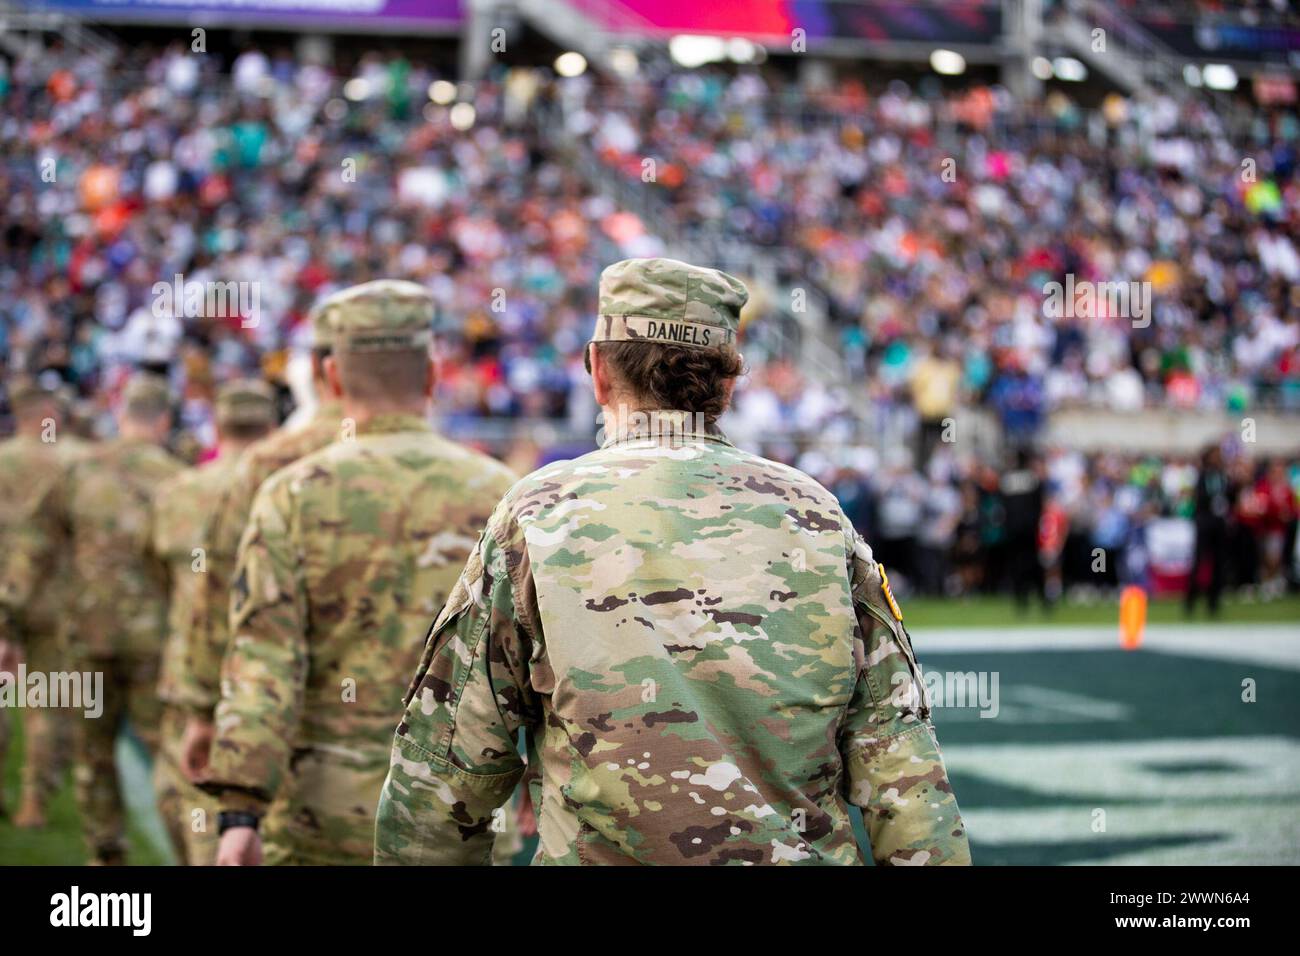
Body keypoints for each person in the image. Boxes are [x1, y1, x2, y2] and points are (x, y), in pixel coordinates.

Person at [375, 257, 970, 866]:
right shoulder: (816, 514)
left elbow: (448, 771)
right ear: (728, 385)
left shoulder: (538, 515)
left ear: (599, 371)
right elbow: (900, 765)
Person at [200, 280, 516, 866]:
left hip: (324, 813)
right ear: (431, 374)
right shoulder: (504, 494)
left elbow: (263, 661)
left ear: (333, 378)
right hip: (462, 812)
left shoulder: (291, 494)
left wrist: (240, 810)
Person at [1, 372, 183, 864]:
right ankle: (193, 848)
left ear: (121, 416)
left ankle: (103, 858)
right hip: (154, 637)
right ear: (164, 420)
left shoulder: (83, 470)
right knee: (167, 754)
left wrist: (9, 611)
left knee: (91, 748)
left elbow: (36, 545)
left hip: (84, 627)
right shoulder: (175, 478)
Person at [177, 304, 343, 784]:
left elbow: (219, 589)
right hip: (427, 768)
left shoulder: (269, 464)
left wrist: (203, 709)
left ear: (318, 370)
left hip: (290, 739)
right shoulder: (481, 479)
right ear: (430, 373)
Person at [148, 379, 277, 865]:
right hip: (269, 678)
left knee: (196, 801)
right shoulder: (288, 487)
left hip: (196, 674)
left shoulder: (178, 492)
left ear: (217, 426)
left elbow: (157, 576)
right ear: (271, 427)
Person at [0, 379, 87, 827]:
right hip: (58, 598)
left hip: (6, 591)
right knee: (45, 703)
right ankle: (33, 801)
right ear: (50, 413)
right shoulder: (73, 461)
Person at [1185, 445, 1232, 616]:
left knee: (1219, 564)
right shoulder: (1202, 475)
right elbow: (1198, 498)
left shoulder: (1223, 476)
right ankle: (1190, 602)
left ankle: (1213, 603)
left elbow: (1229, 497)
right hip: (1205, 524)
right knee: (1198, 563)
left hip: (1219, 525)